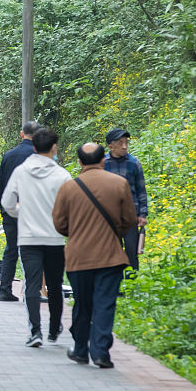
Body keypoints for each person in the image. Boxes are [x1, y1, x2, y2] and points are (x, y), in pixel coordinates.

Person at [53, 142, 138, 368]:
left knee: (82, 303)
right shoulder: (119, 184)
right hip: (110, 256)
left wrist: (78, 233)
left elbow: (59, 224)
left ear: (80, 162)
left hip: (78, 257)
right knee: (105, 304)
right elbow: (130, 220)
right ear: (103, 160)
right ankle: (100, 352)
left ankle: (80, 349)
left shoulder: (69, 188)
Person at [0, 127, 71, 347]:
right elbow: (70, 205)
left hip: (29, 238)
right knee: (54, 284)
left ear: (33, 147)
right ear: (54, 148)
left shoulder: (21, 171)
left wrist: (21, 214)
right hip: (54, 238)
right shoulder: (62, 175)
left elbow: (7, 202)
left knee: (31, 284)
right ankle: (54, 328)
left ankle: (35, 331)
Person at [0, 121, 42, 302]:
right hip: (32, 210)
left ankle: (4, 289)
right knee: (33, 251)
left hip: (10, 209)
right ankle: (32, 290)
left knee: (11, 249)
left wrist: (4, 210)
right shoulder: (38, 155)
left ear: (22, 134)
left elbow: (1, 185)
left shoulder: (9, 155)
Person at [102, 127, 148, 269]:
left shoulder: (134, 163)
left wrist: (143, 214)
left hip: (130, 216)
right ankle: (116, 287)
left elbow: (141, 190)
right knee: (112, 253)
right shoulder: (102, 164)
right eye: (120, 143)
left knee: (131, 253)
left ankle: (131, 287)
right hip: (109, 216)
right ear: (111, 146)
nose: (124, 146)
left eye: (126, 142)